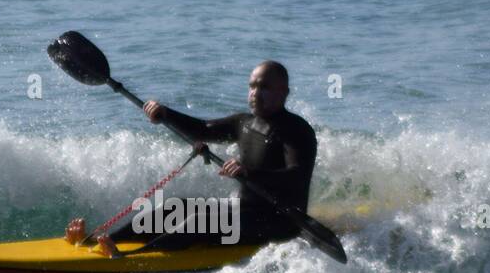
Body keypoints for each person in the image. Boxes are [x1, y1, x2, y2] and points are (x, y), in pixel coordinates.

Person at [66, 60, 317, 255]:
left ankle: (130, 257)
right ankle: (99, 241)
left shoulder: (296, 130)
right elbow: (203, 129)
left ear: (284, 91)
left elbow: (297, 177)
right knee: (176, 207)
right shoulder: (245, 123)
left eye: (264, 87)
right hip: (245, 212)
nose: (255, 93)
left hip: (279, 222)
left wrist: (249, 173)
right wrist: (165, 114)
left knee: (200, 221)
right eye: (252, 86)